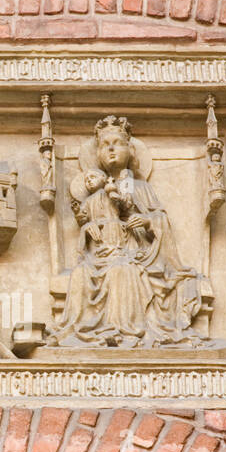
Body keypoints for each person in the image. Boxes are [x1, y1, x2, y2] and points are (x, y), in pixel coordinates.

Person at [48, 116, 205, 348]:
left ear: (130, 150)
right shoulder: (93, 197)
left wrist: (147, 221)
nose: (111, 148)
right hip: (101, 254)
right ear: (97, 154)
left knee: (121, 271)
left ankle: (124, 331)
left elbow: (160, 220)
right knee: (81, 272)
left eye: (117, 143)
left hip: (137, 254)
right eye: (104, 144)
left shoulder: (139, 186)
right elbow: (86, 221)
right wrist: (89, 227)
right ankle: (83, 329)